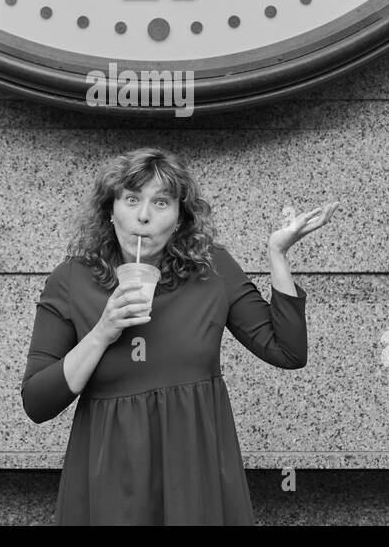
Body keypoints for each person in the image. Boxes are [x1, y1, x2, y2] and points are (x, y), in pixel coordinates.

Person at [21, 146, 339, 525]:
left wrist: (277, 254)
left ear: (178, 217)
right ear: (110, 210)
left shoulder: (212, 268)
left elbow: (288, 351)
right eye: (131, 199)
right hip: (109, 479)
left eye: (161, 202)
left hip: (195, 473)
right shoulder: (71, 279)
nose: (143, 216)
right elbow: (37, 403)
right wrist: (102, 333)